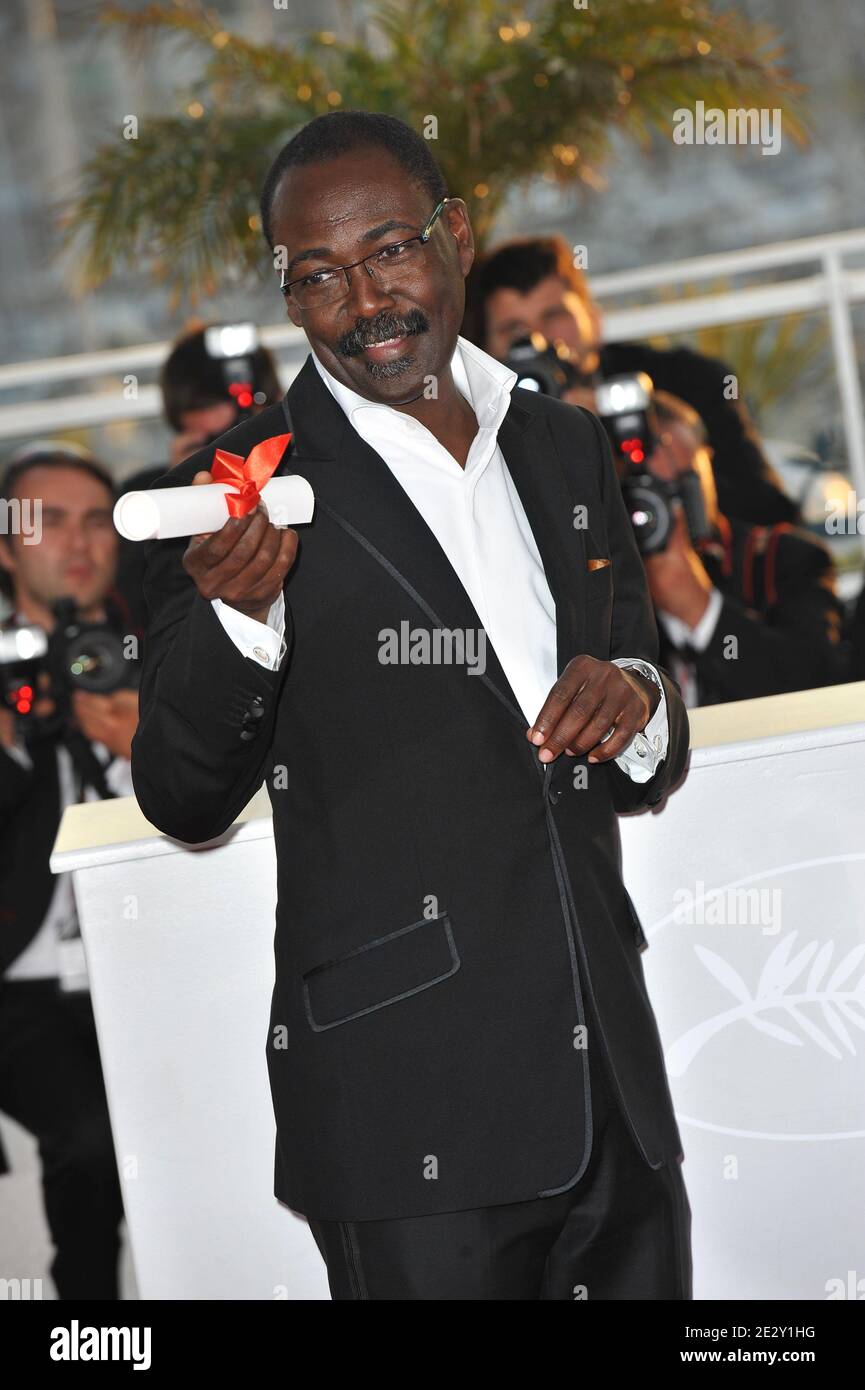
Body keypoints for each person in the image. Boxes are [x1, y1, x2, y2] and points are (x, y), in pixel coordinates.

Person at [132, 110, 692, 1301]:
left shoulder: (565, 443)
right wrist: (241, 621)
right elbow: (181, 793)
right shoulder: (232, 490)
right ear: (288, 297)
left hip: (615, 1088)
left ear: (456, 235)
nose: (363, 299)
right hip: (406, 1107)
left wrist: (634, 696)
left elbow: (641, 704)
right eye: (318, 275)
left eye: (389, 249)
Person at [0, 443, 135, 1298]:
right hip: (22, 988)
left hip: (150, 963)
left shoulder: (159, 652)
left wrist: (150, 748)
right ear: (7, 544)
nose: (76, 543)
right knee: (88, 1138)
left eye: (95, 522)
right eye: (47, 523)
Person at [463, 235, 801, 528]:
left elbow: (768, 514)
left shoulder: (687, 383)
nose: (537, 340)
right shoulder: (474, 427)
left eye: (554, 316)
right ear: (484, 350)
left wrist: (641, 447)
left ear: (594, 321)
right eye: (514, 332)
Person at [631, 394, 850, 705]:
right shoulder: (601, 580)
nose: (666, 510)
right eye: (641, 493)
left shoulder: (782, 560)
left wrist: (701, 609)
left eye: (680, 484)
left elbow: (818, 691)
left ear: (708, 466)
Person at [114, 324, 282, 637]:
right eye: (212, 445)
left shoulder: (305, 475)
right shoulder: (147, 500)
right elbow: (147, 617)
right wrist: (181, 496)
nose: (230, 460)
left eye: (240, 434)